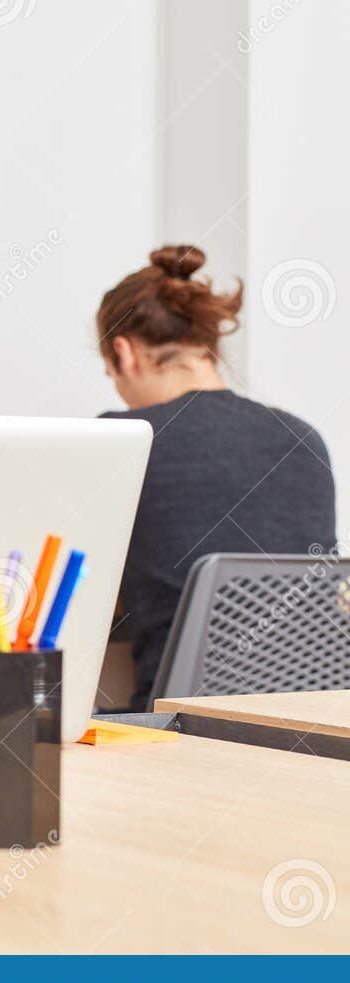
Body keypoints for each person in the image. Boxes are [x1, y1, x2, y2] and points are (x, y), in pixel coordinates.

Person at [97, 245, 337, 708]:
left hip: (177, 731)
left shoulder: (124, 439)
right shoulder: (305, 439)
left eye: (111, 374)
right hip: (306, 721)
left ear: (124, 354)